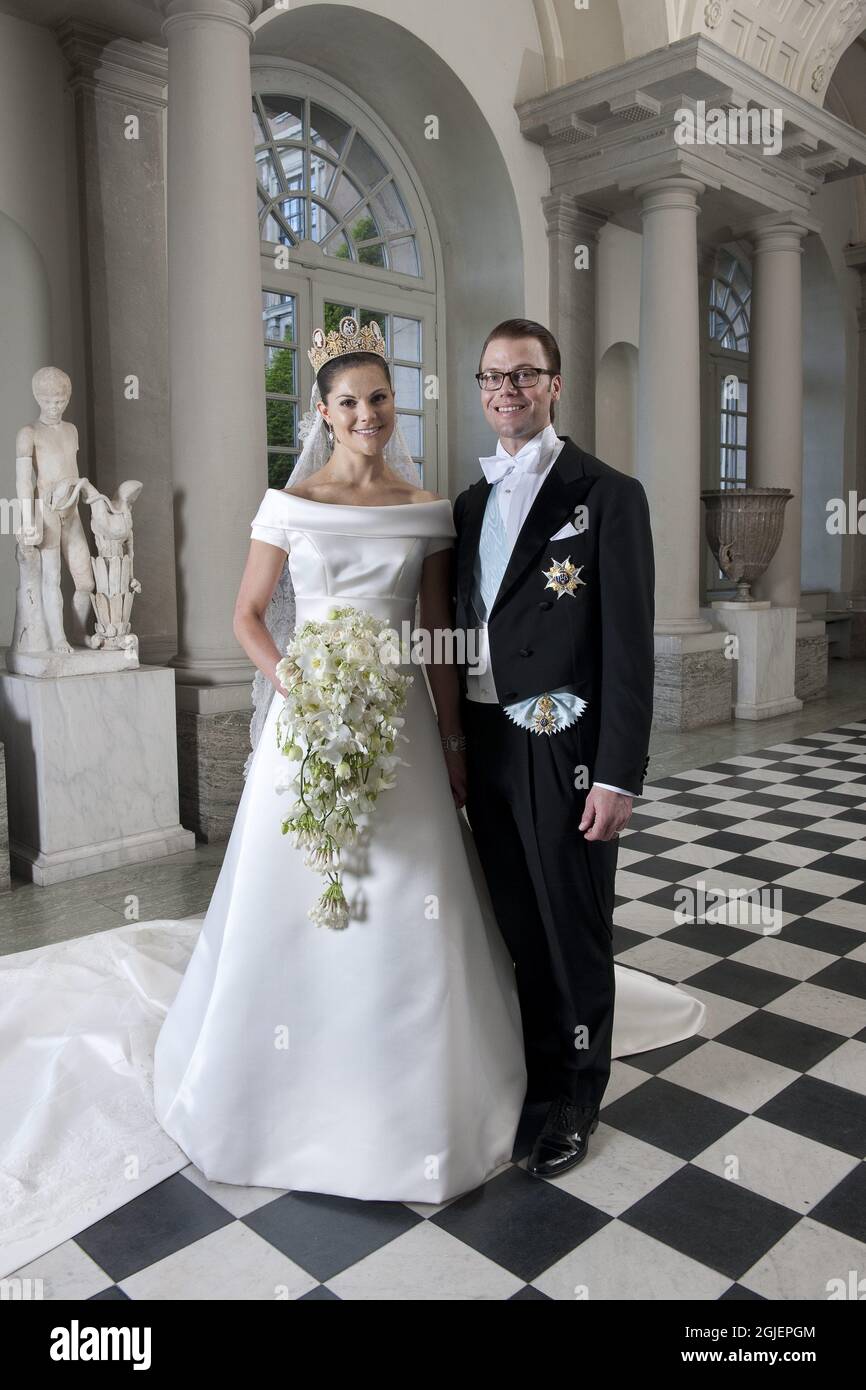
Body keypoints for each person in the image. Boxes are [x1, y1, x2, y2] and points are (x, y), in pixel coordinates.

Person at [0, 322, 705, 1278]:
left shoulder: (438, 509)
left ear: (549, 383)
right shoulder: (292, 504)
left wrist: (456, 744)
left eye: (381, 398)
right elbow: (247, 618)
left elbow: (441, 640)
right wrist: (299, 683)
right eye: (348, 401)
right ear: (324, 412)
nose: (367, 414)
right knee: (322, 901)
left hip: (439, 735)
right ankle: (285, 1088)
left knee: (466, 904)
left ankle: (541, 1091)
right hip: (312, 726)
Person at [453, 317, 703, 1179]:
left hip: (565, 743)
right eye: (492, 377)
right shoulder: (470, 502)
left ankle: (575, 1097)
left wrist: (620, 777)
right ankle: (537, 1074)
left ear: (554, 385)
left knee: (572, 925)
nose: (506, 391)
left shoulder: (608, 493)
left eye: (523, 375)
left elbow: (629, 647)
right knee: (517, 922)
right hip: (488, 739)